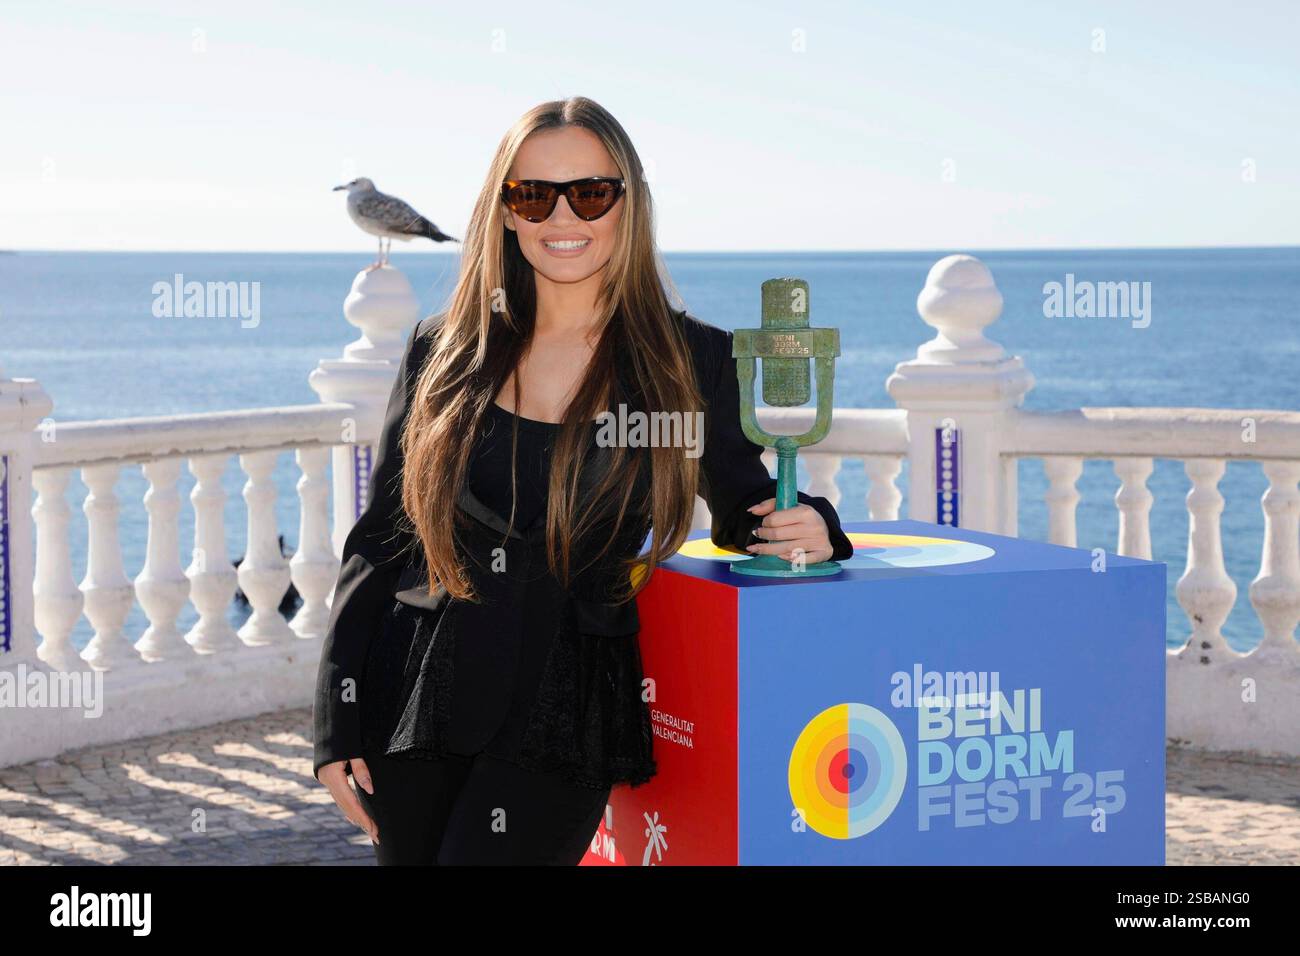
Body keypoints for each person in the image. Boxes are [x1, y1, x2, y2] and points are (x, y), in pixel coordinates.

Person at [313, 95, 854, 865]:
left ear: (627, 203)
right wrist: (338, 717)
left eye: (590, 192)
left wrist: (815, 525)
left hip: (563, 704)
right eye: (533, 194)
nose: (562, 216)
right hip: (416, 691)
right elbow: (381, 537)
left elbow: (743, 498)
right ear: (504, 211)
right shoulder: (443, 346)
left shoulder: (687, 356)